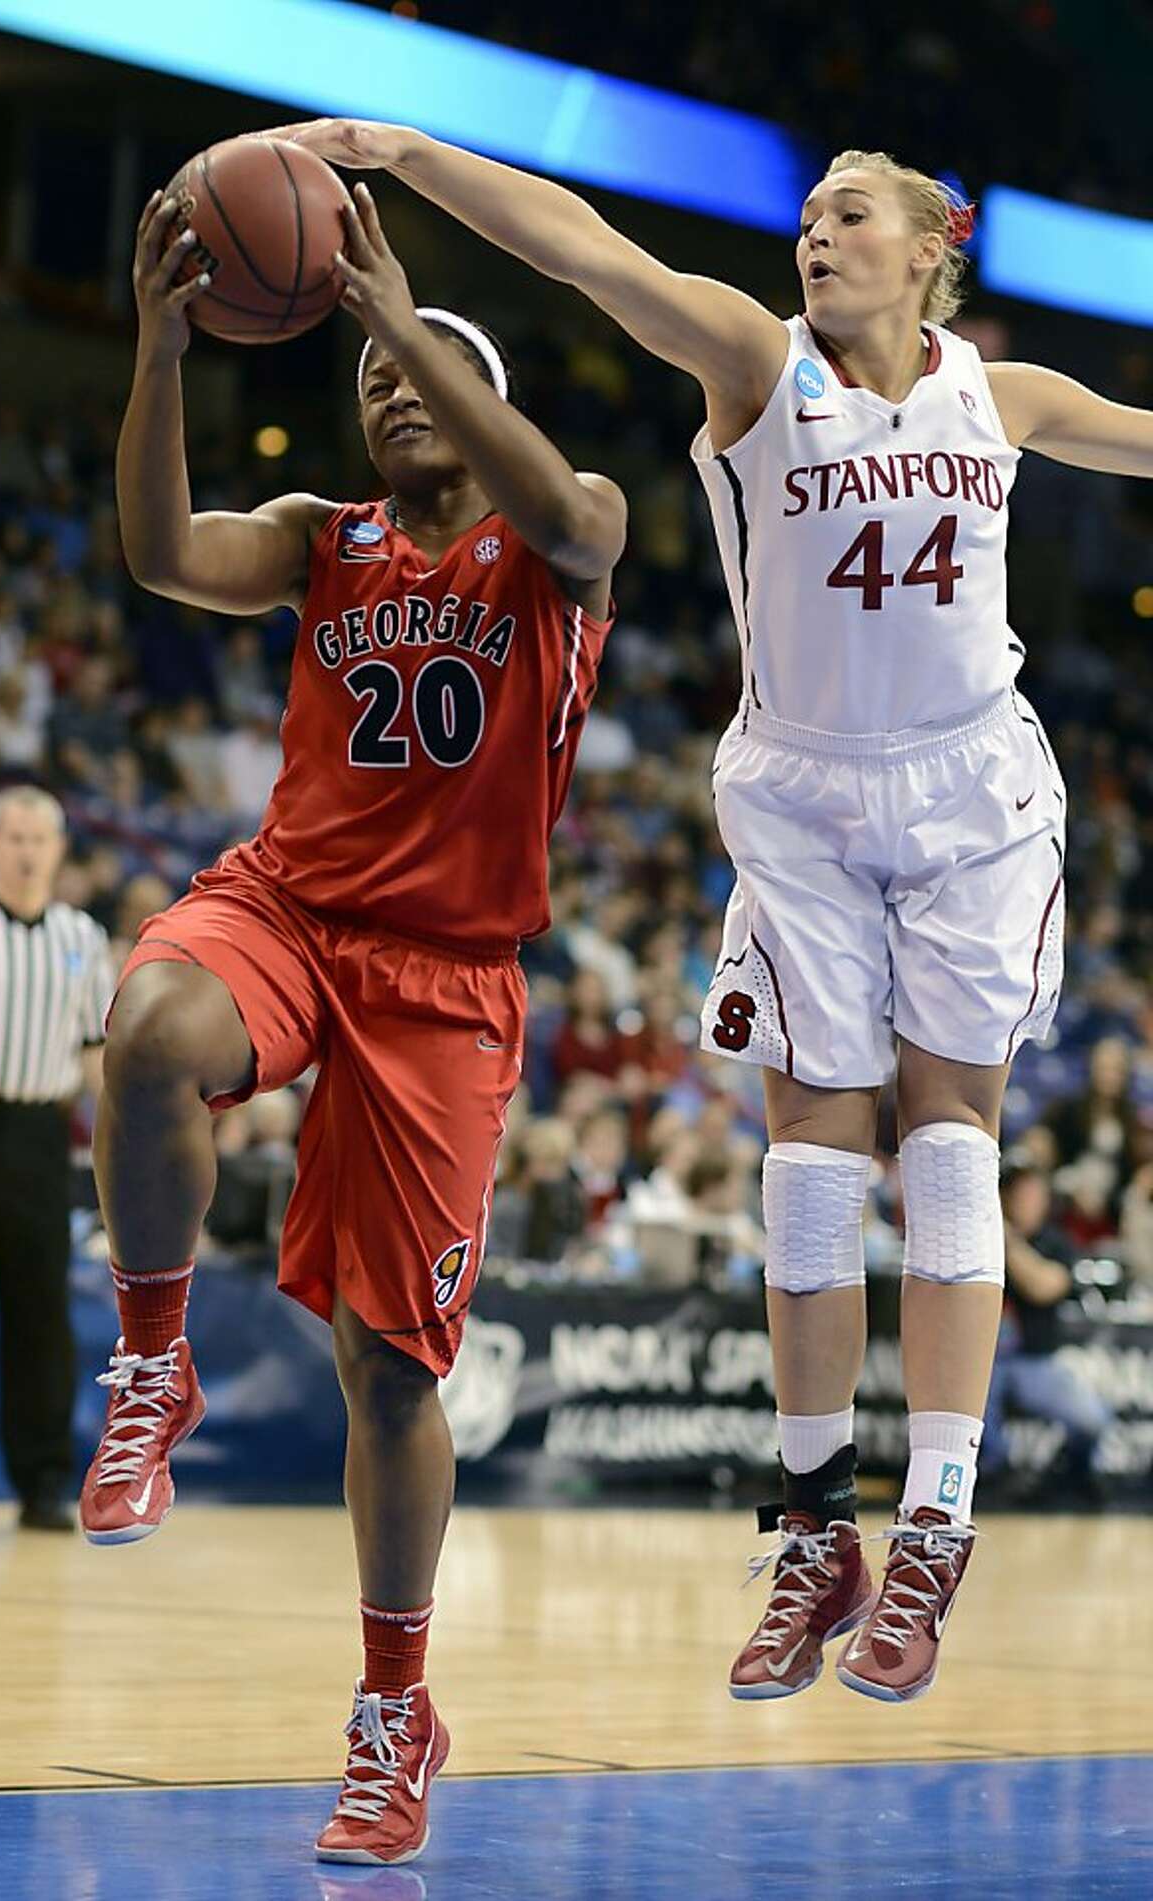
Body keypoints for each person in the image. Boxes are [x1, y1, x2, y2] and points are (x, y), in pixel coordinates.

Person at [270, 117, 1153, 1703]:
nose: (818, 233)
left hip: (971, 793)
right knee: (811, 1179)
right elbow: (585, 248)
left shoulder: (1000, 397)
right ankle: (819, 1532)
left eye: (851, 212)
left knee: (949, 1149)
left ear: (930, 249)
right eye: (810, 214)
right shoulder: (757, 360)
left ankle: (935, 1527)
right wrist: (396, 152)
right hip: (805, 794)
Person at [77, 182, 624, 1869]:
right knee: (152, 1023)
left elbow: (566, 503)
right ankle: (152, 1356)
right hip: (297, 911)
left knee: (390, 1370)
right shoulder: (330, 537)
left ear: (476, 392)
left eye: (421, 370)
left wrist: (400, 319)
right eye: (370, 374)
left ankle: (397, 1711)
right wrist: (164, 349)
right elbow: (165, 553)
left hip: (447, 982)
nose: (385, 391)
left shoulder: (558, 532)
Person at [0, 785, 112, 1531]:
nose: (22, 851)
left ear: (57, 849)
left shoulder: (81, 939)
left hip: (39, 1139)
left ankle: (43, 1480)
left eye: (36, 839)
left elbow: (94, 1060)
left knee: (39, 1313)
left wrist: (122, 1150)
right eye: (10, 837)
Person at [980, 1155, 1112, 1503]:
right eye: (1021, 1192)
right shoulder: (977, 1237)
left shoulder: (1055, 1242)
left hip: (1035, 1361)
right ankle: (992, 1479)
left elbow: (1045, 1285)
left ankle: (1072, 1473)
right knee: (972, 1405)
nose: (1029, 1200)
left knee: (1092, 1419)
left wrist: (1007, 1241)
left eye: (1035, 1193)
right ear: (1004, 1195)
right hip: (985, 1359)